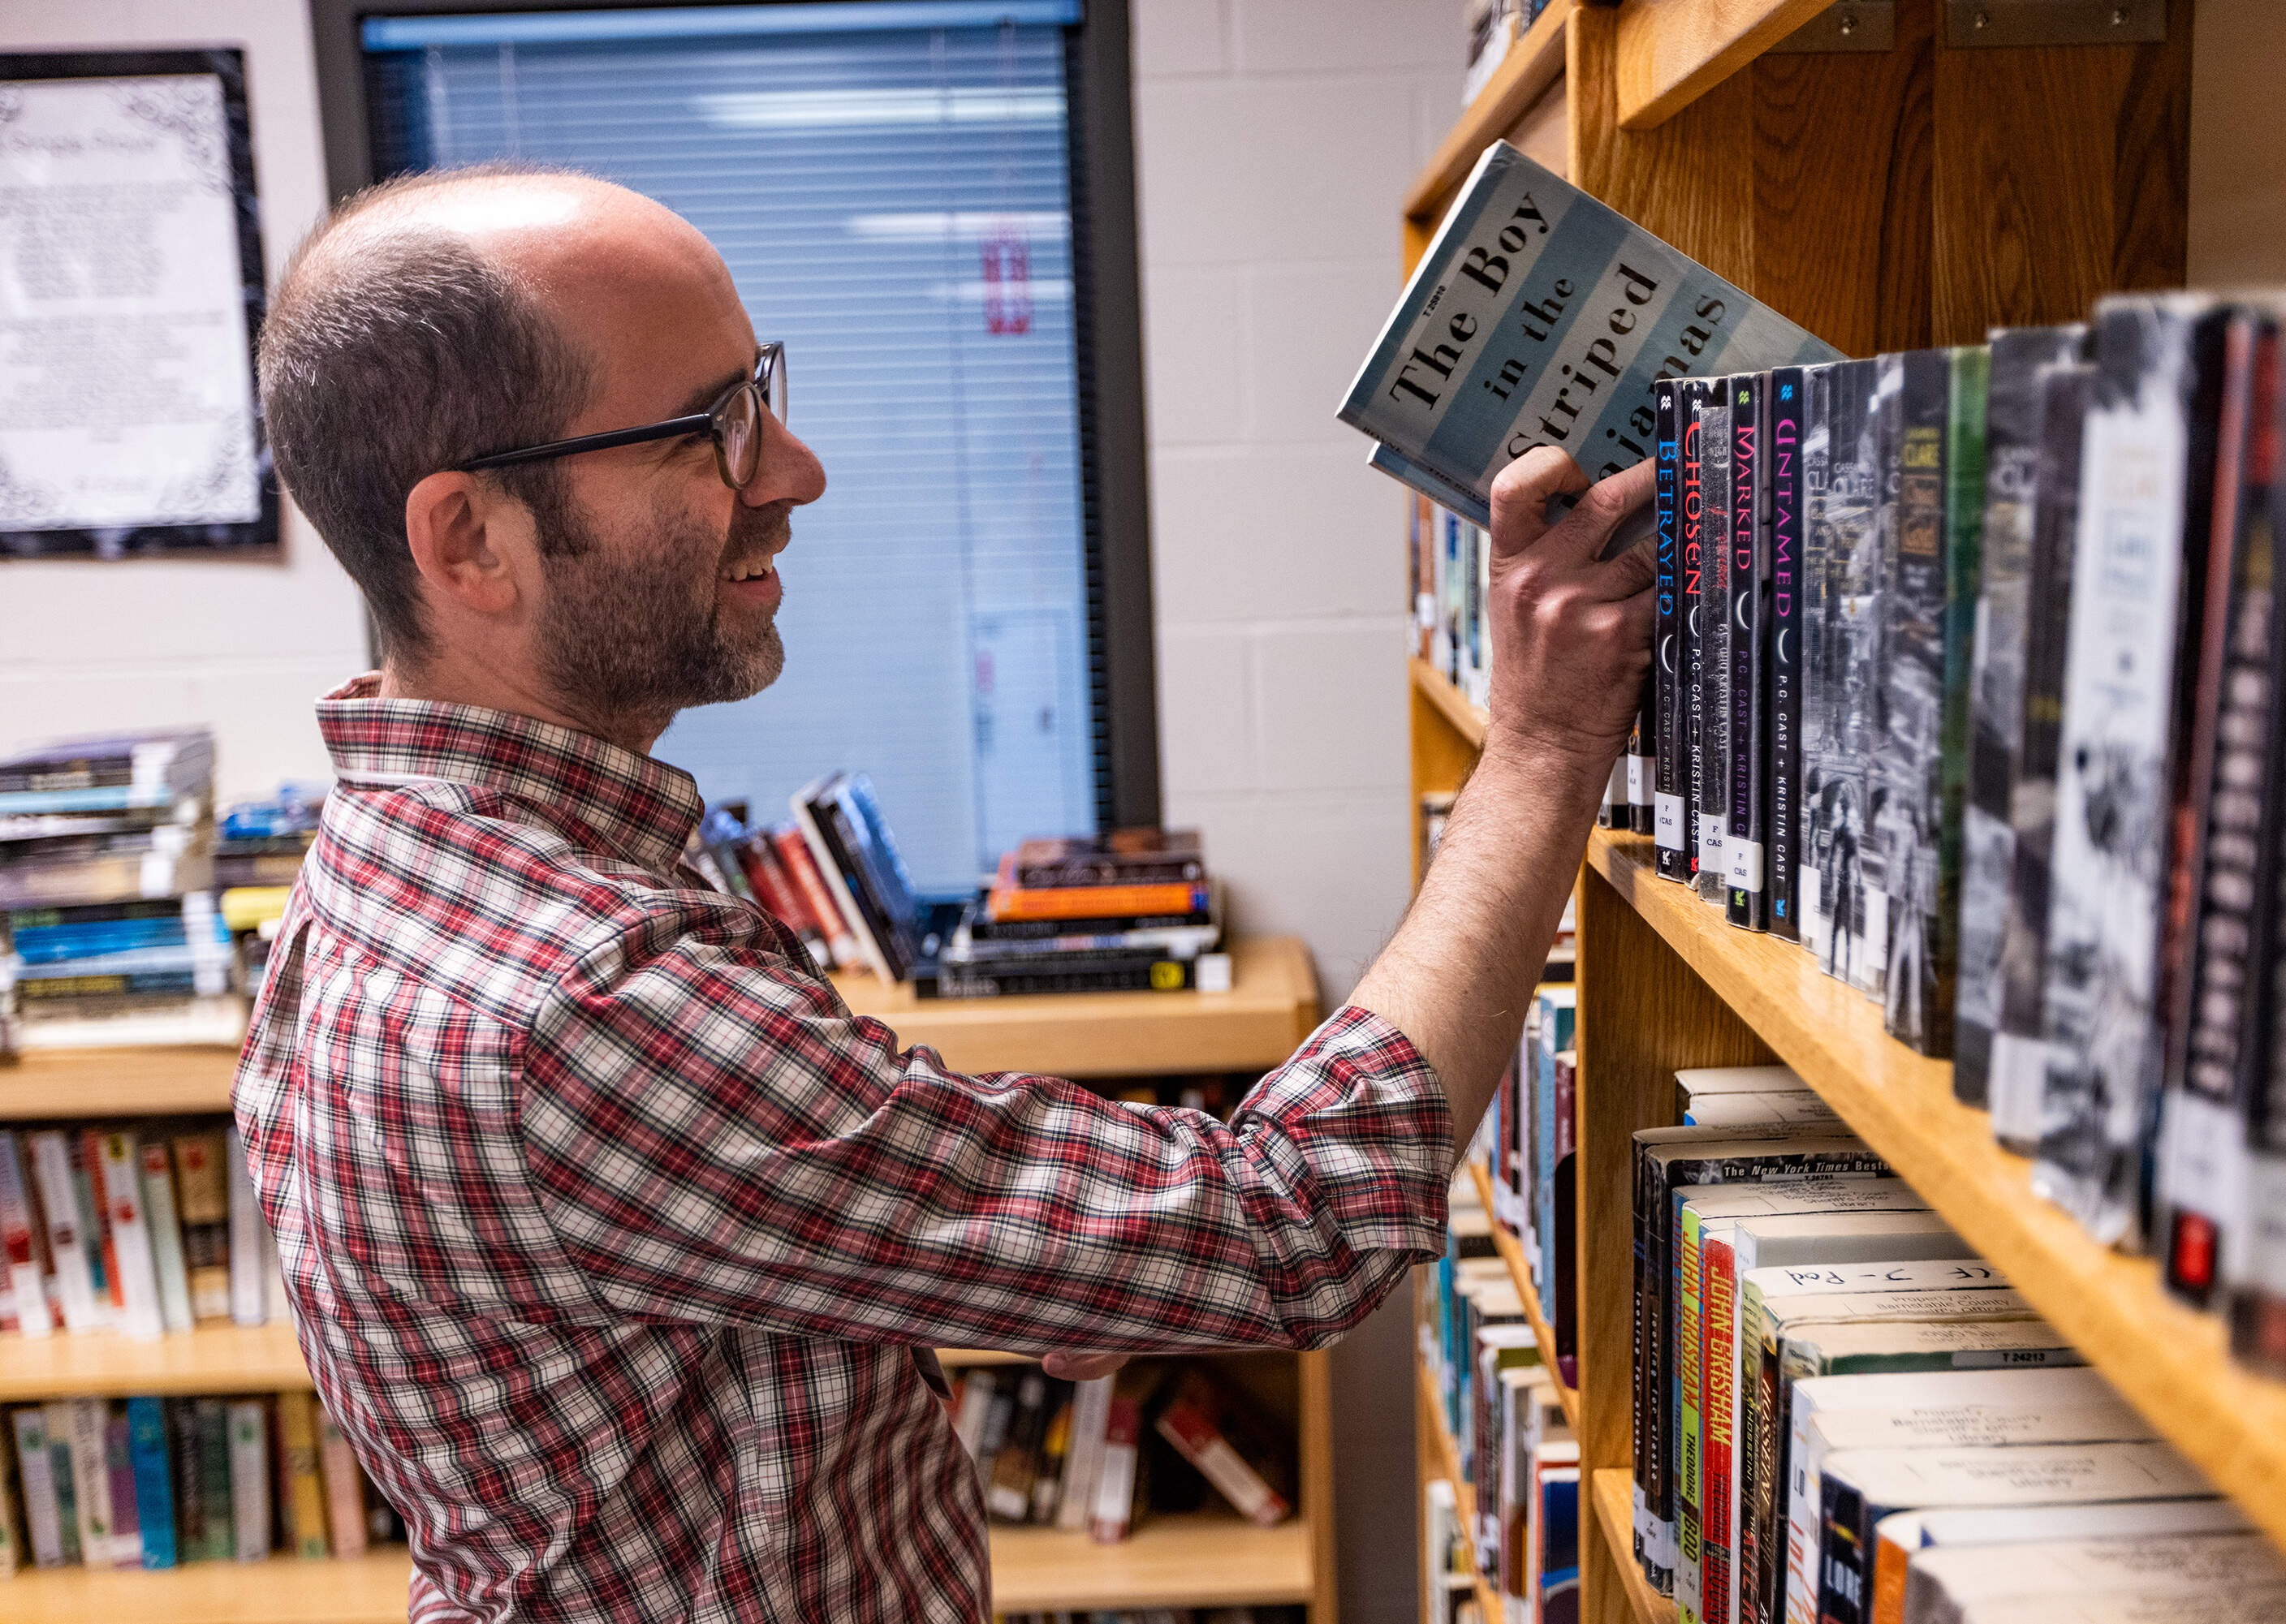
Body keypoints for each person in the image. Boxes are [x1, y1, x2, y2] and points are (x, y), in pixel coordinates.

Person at [238, 162, 1655, 1623]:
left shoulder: (383, 865)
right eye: (709, 431)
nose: (794, 471)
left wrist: (1042, 1252)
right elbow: (1295, 1225)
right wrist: (1542, 751)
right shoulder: (583, 997)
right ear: (470, 540)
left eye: (760, 391)